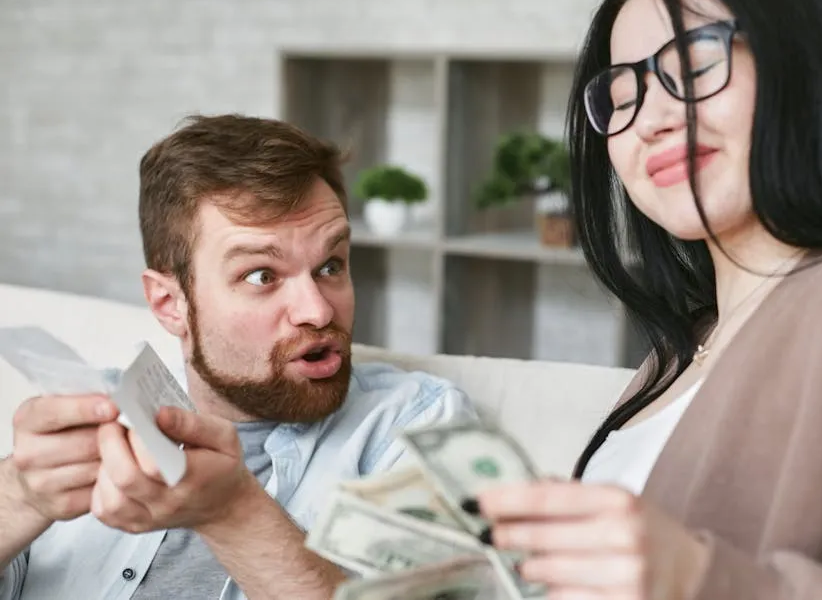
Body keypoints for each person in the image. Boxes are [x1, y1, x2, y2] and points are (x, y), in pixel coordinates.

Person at [467, 0, 822, 598]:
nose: (654, 118)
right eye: (621, 94)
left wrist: (691, 575)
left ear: (803, 73)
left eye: (694, 68)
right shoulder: (678, 350)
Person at [0, 114, 476, 600]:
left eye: (330, 265)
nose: (318, 309)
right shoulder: (86, 419)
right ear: (170, 304)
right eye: (262, 276)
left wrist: (232, 513)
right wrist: (19, 493)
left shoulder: (419, 427)